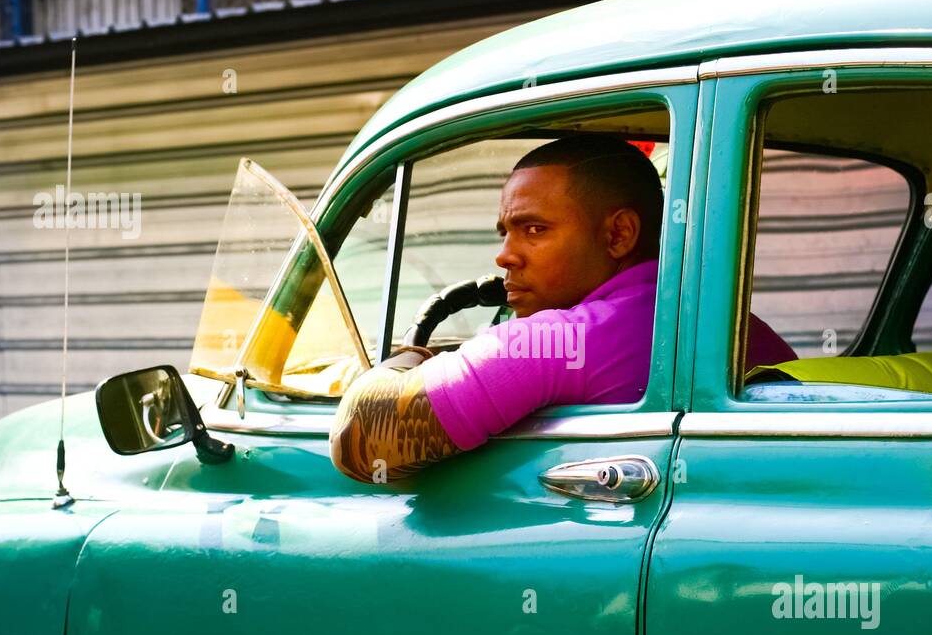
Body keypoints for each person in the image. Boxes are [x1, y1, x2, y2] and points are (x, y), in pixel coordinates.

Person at [330, 134, 794, 483]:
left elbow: (361, 437)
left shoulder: (563, 340)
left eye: (533, 230)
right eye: (504, 232)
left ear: (618, 235)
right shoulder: (745, 328)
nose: (504, 255)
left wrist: (407, 359)